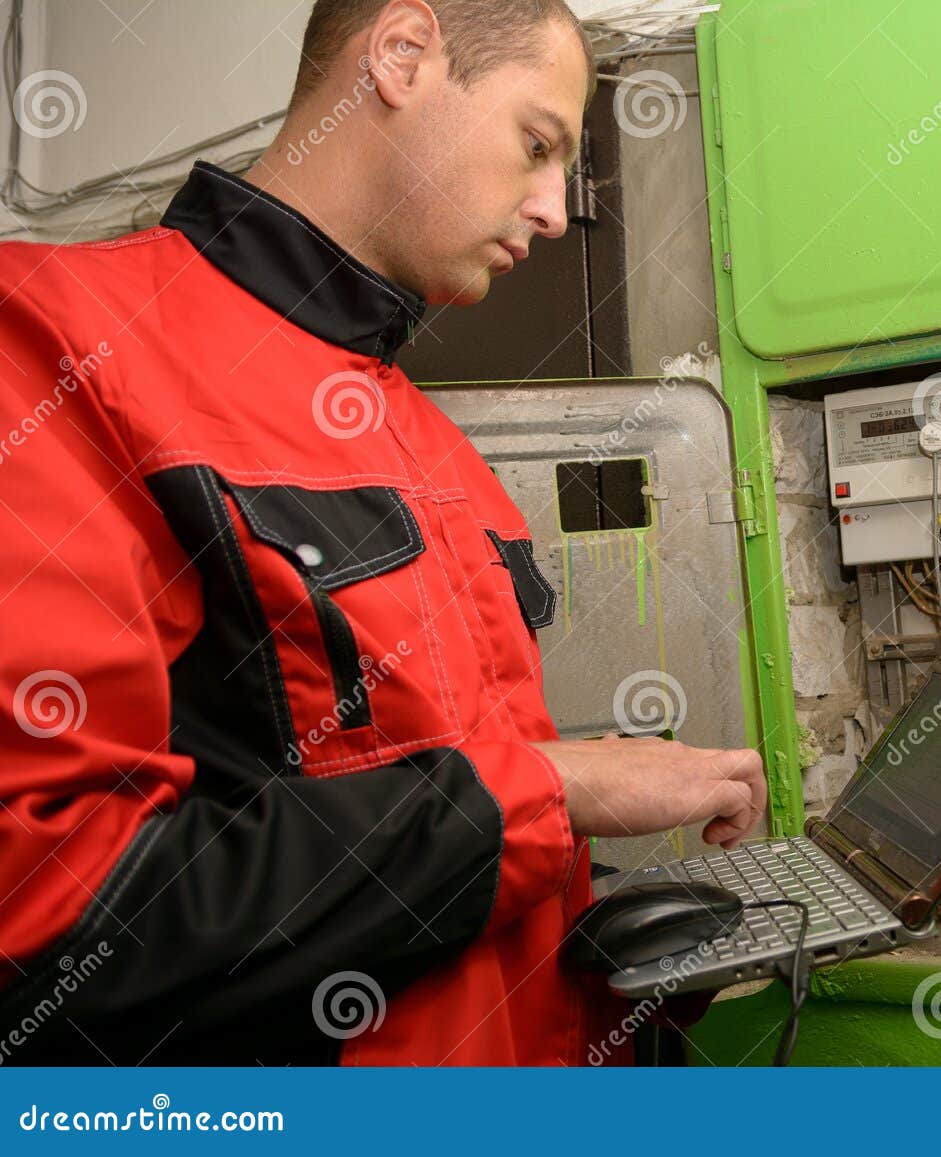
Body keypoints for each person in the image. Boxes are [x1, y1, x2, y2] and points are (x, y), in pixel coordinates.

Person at [0, 0, 765, 1066]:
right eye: (536, 144)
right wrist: (561, 789)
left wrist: (623, 950)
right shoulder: (56, 338)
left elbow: (440, 844)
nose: (553, 210)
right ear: (402, 55)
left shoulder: (434, 448)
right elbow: (48, 918)